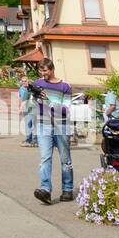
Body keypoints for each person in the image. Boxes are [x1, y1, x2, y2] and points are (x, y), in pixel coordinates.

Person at [32, 59, 74, 205]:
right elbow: (35, 104)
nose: (43, 74)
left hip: (61, 125)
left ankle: (67, 189)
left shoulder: (65, 86)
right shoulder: (38, 84)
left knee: (65, 159)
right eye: (40, 71)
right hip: (43, 125)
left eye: (45, 71)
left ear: (52, 69)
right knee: (45, 158)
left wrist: (49, 101)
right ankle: (45, 190)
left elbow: (66, 109)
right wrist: (33, 95)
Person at [19, 79, 37, 146]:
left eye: (26, 82)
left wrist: (20, 109)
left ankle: (28, 141)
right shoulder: (35, 91)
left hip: (28, 110)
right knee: (35, 126)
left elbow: (24, 101)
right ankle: (35, 141)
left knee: (29, 126)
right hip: (35, 110)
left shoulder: (28, 91)